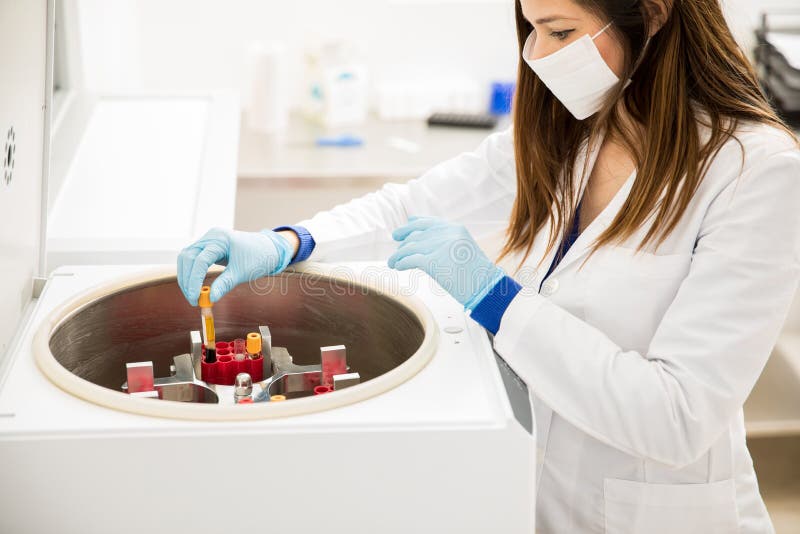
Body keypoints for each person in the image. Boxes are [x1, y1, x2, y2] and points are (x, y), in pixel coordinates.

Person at [178, 0, 800, 531]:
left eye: (560, 31)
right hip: (539, 494)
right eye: (530, 28)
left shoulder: (754, 170)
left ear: (655, 15)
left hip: (660, 514)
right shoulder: (577, 127)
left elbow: (677, 416)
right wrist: (291, 240)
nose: (537, 53)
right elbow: (412, 201)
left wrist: (497, 299)